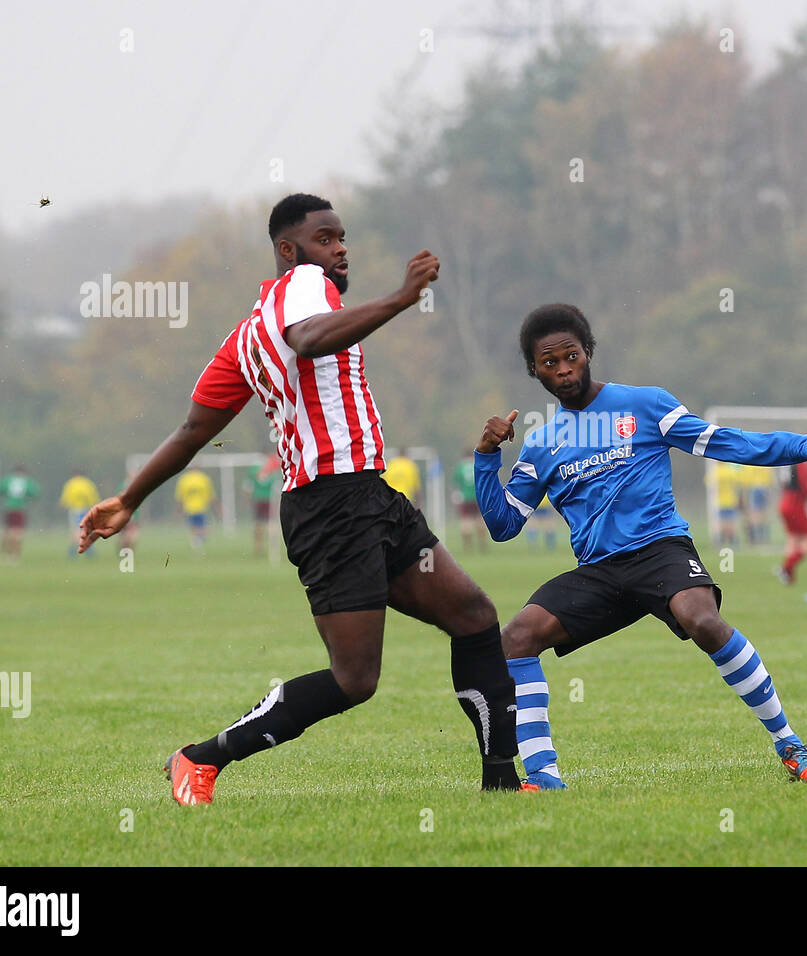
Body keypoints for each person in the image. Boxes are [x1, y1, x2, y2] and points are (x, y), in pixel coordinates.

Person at [78, 193, 520, 803]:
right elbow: (309, 339)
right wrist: (398, 297)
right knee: (354, 679)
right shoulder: (304, 287)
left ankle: (502, 785)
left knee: (474, 616)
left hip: (369, 497)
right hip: (330, 508)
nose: (339, 250)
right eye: (325, 238)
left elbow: (191, 432)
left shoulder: (245, 338)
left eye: (342, 238)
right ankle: (200, 759)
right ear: (289, 251)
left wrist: (128, 498)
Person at [474, 304, 807, 790]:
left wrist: (802, 447)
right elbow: (504, 526)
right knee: (516, 638)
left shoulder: (646, 405)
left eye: (571, 355)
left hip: (661, 550)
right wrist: (486, 457)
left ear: (588, 353)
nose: (564, 368)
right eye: (550, 362)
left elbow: (724, 443)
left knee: (701, 619)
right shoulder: (542, 444)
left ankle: (790, 745)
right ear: (534, 370)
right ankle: (545, 778)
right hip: (600, 572)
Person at [776, 460, 807, 585]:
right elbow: (805, 485)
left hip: (784, 501)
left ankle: (787, 575)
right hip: (796, 503)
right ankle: (786, 568)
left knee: (793, 538)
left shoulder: (787, 458)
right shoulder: (801, 460)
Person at [0, 465, 40, 559]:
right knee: (17, 532)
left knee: (6, 532)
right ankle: (15, 555)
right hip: (19, 508)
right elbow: (35, 492)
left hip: (8, 507)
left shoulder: (8, 480)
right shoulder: (26, 481)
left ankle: (4, 553)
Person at [451, 450, 486, 553]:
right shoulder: (478, 465)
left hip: (465, 497)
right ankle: (482, 544)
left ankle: (468, 546)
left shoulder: (460, 467)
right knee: (480, 520)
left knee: (466, 521)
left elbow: (456, 483)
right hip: (478, 496)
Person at [245, 452, 279, 552]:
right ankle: (273, 546)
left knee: (258, 523)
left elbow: (248, 486)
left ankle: (258, 546)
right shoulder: (273, 466)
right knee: (271, 523)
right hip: (270, 499)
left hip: (258, 499)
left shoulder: (254, 468)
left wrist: (248, 498)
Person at [59, 470, 99, 557]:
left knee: (76, 531)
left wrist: (63, 505)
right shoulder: (87, 483)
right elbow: (93, 497)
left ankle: (74, 551)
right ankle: (88, 549)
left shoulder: (71, 483)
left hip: (74, 510)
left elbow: (65, 499)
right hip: (86, 510)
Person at [175, 468, 216, 551]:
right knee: (201, 527)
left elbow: (180, 496)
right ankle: (199, 541)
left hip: (189, 508)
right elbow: (210, 495)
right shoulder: (204, 478)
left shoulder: (184, 479)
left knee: (194, 527)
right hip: (201, 507)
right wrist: (215, 506)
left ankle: (197, 542)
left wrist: (179, 509)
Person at [708, 462, 743, 548]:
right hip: (730, 499)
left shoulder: (715, 472)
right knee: (731, 521)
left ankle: (721, 540)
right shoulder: (730, 471)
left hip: (719, 501)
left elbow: (709, 484)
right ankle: (732, 541)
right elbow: (737, 484)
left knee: (721, 521)